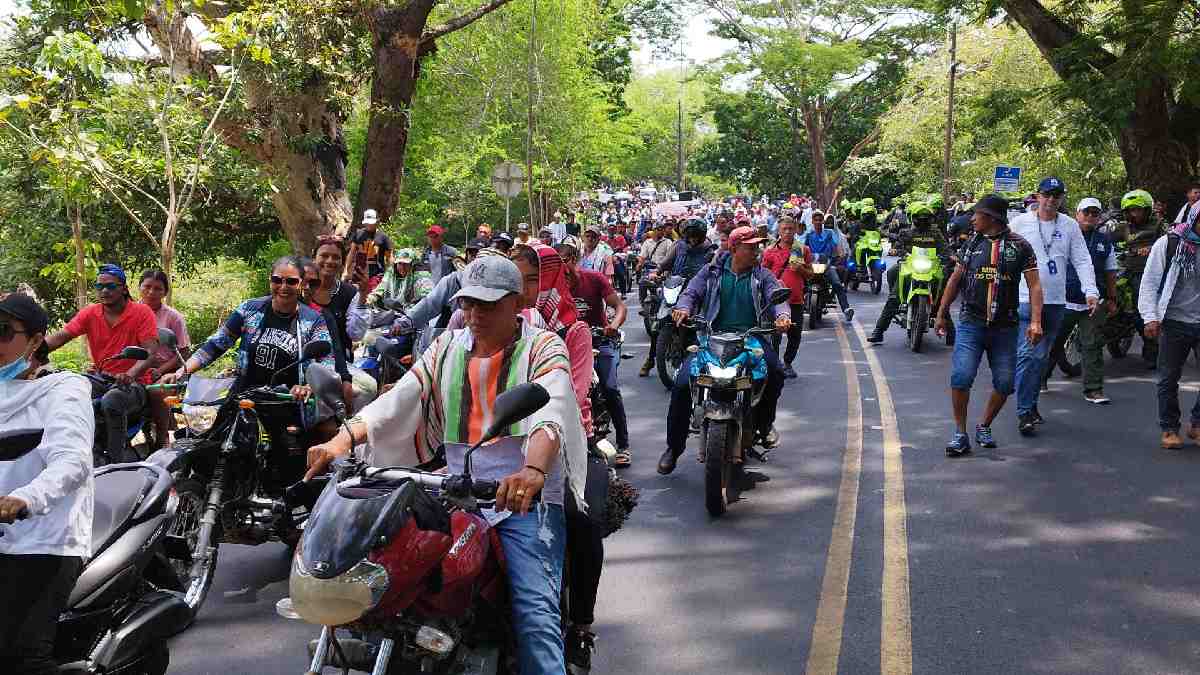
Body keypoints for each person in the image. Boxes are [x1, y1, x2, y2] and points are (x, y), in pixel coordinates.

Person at [305, 255, 587, 675]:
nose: (474, 315)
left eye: (487, 305)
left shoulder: (543, 347)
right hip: (454, 488)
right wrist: (338, 441)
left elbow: (552, 413)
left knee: (536, 621)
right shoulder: (446, 347)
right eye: (468, 303)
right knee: (385, 580)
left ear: (516, 303)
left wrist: (532, 471)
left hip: (524, 498)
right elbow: (398, 400)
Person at [0, 294, 95, 674]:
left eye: (3, 331)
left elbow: (72, 461)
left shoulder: (64, 390)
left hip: (42, 538)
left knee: (20, 658)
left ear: (36, 340)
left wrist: (24, 498)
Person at [658, 226, 791, 474]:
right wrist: (683, 308)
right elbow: (690, 293)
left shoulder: (762, 276)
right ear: (733, 248)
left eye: (757, 246)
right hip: (711, 339)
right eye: (750, 247)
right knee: (681, 385)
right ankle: (673, 448)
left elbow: (778, 297)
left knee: (776, 372)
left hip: (751, 340)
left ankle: (764, 424)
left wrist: (782, 316)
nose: (756, 251)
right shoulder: (710, 273)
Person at [937, 195, 1043, 455]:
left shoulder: (1021, 246)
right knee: (961, 376)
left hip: (1005, 327)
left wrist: (1036, 321)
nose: (972, 218)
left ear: (992, 218)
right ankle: (960, 433)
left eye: (977, 214)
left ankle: (984, 425)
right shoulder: (971, 243)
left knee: (1006, 383)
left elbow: (1035, 284)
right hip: (971, 323)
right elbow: (955, 280)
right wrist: (941, 313)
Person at [160, 257, 336, 404]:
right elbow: (215, 346)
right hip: (244, 398)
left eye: (291, 281)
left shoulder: (313, 320)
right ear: (270, 280)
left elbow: (327, 362)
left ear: (300, 284)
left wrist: (308, 387)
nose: (283, 287)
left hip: (287, 402)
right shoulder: (250, 309)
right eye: (277, 280)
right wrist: (181, 372)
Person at [1009, 178, 1099, 436]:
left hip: (1057, 302)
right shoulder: (1019, 223)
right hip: (1025, 299)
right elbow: (1003, 255)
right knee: (1030, 355)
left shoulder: (1070, 225)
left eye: (1057, 195)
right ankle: (1024, 412)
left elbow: (1082, 260)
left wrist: (1090, 291)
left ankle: (1031, 403)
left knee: (1042, 357)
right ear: (1038, 196)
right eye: (1047, 194)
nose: (1052, 200)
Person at [43, 264, 158, 464]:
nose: (104, 291)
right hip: (101, 378)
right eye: (100, 287)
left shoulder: (142, 312)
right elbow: (60, 337)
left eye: (111, 286)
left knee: (112, 402)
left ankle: (116, 462)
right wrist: (28, 353)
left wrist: (130, 373)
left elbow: (150, 352)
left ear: (123, 288)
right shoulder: (90, 313)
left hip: (135, 383)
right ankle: (74, 456)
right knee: (67, 394)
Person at [557, 237, 632, 468]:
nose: (562, 272)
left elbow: (619, 307)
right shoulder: (554, 287)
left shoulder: (595, 279)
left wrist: (613, 326)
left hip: (600, 341)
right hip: (567, 344)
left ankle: (623, 444)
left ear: (573, 260)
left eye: (565, 263)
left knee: (610, 388)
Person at [1042, 197, 1118, 404]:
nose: (1091, 217)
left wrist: (1111, 298)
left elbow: (1111, 272)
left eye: (1095, 213)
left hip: (1093, 303)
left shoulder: (1104, 241)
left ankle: (1093, 389)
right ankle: (1040, 378)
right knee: (1053, 342)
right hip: (1062, 301)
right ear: (1077, 214)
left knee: (1092, 345)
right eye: (1087, 213)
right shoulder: (1063, 236)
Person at [1138, 213, 1200, 448]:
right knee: (1169, 377)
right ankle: (1170, 428)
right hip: (1174, 320)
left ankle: (1197, 424)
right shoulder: (1170, 243)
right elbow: (1150, 282)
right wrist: (1150, 317)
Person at [868, 202, 952, 343]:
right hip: (910, 266)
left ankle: (951, 334)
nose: (923, 220)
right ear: (914, 218)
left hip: (931, 268)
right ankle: (878, 332)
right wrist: (896, 250)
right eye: (920, 217)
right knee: (893, 297)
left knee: (941, 296)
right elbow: (898, 246)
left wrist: (951, 256)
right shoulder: (906, 233)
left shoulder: (935, 232)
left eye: (926, 217)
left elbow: (945, 248)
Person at [1105, 189, 1167, 366]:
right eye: (1131, 210)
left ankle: (1151, 347)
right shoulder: (1124, 227)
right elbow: (1106, 238)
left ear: (1147, 209)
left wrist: (1153, 248)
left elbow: (1171, 241)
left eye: (1138, 209)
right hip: (1125, 268)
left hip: (1147, 273)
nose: (1135, 213)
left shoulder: (1159, 224)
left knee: (1142, 311)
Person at [138, 270, 190, 449]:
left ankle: (162, 437)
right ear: (139, 288)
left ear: (165, 292)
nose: (151, 292)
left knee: (157, 391)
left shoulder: (173, 317)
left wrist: (160, 371)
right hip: (135, 365)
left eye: (157, 288)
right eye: (147, 287)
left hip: (166, 369)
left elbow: (184, 353)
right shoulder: (129, 313)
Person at [761, 216, 811, 378]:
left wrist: (801, 270)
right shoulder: (769, 251)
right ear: (779, 231)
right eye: (785, 229)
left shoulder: (802, 249)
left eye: (791, 228)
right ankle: (775, 364)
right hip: (775, 302)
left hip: (796, 300)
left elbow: (810, 275)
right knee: (774, 336)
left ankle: (788, 363)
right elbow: (762, 275)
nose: (788, 232)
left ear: (796, 229)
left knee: (795, 335)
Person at [799, 210, 854, 322]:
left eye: (820, 220)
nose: (818, 222)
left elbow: (836, 246)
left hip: (826, 265)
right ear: (812, 221)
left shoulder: (829, 233)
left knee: (837, 283)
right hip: (810, 266)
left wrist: (840, 253)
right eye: (816, 220)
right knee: (798, 283)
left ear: (823, 221)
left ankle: (846, 309)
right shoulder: (808, 234)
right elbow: (800, 247)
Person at [345, 209, 393, 290]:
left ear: (377, 221)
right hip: (359, 272)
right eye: (368, 222)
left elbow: (389, 258)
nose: (369, 224)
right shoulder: (358, 234)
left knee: (370, 298)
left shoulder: (383, 237)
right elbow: (351, 253)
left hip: (376, 274)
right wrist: (346, 270)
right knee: (355, 296)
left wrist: (390, 274)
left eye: (372, 222)